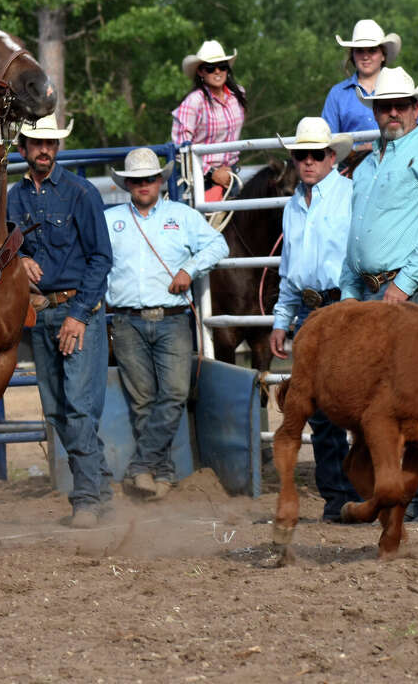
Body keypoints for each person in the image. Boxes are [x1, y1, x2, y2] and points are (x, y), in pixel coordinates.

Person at [339, 67, 418, 526]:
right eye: (383, 106)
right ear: (375, 111)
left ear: (416, 108)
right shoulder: (369, 163)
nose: (392, 113)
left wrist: (402, 285)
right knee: (386, 399)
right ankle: (403, 494)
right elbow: (356, 235)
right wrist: (350, 291)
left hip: (414, 292)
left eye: (400, 105)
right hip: (375, 292)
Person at [8, 114, 114, 529]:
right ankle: (100, 488)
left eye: (50, 142)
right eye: (36, 143)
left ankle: (86, 497)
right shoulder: (13, 200)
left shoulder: (80, 193)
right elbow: (1, 250)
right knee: (57, 410)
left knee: (78, 407)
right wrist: (18, 260)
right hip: (41, 313)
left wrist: (79, 314)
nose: (44, 149)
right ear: (23, 149)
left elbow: (101, 258)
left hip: (76, 310)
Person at [103, 148, 227, 501]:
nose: (143, 185)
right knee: (144, 400)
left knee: (173, 394)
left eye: (149, 178)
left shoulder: (182, 216)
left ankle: (141, 466)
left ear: (160, 181)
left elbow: (218, 245)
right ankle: (163, 472)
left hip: (172, 318)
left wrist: (190, 269)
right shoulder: (111, 220)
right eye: (137, 180)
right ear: (128, 184)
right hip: (127, 319)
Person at [268, 117, 359, 522]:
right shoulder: (293, 205)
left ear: (331, 157)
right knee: (320, 409)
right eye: (300, 155)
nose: (307, 162)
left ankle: (357, 490)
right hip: (307, 309)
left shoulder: (351, 194)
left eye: (315, 155)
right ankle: (336, 497)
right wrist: (281, 318)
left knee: (352, 402)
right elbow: (290, 268)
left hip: (342, 306)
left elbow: (359, 253)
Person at [171, 40, 248, 198]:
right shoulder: (193, 102)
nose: (217, 71)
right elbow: (181, 148)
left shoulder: (238, 95)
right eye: (211, 68)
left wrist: (225, 171)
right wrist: (211, 172)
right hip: (197, 180)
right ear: (201, 72)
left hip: (230, 175)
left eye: (222, 66)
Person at [321, 19, 402, 138]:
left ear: (383, 55)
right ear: (352, 56)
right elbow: (327, 140)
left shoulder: (400, 89)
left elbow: (414, 133)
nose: (365, 56)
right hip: (351, 157)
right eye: (359, 51)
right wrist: (356, 151)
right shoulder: (337, 94)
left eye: (372, 50)